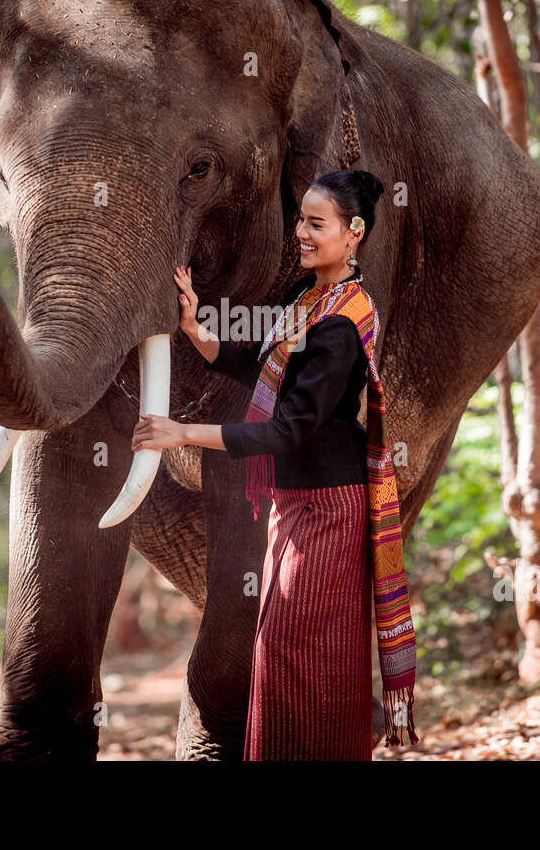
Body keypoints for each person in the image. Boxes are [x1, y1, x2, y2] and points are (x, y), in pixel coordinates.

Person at [131, 169, 419, 760]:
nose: (302, 234)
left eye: (317, 224)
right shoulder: (309, 299)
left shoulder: (342, 322)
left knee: (307, 659)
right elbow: (269, 373)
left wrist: (182, 432)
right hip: (296, 505)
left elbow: (287, 429)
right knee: (285, 652)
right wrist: (198, 332)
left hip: (329, 511)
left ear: (354, 232)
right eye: (301, 220)